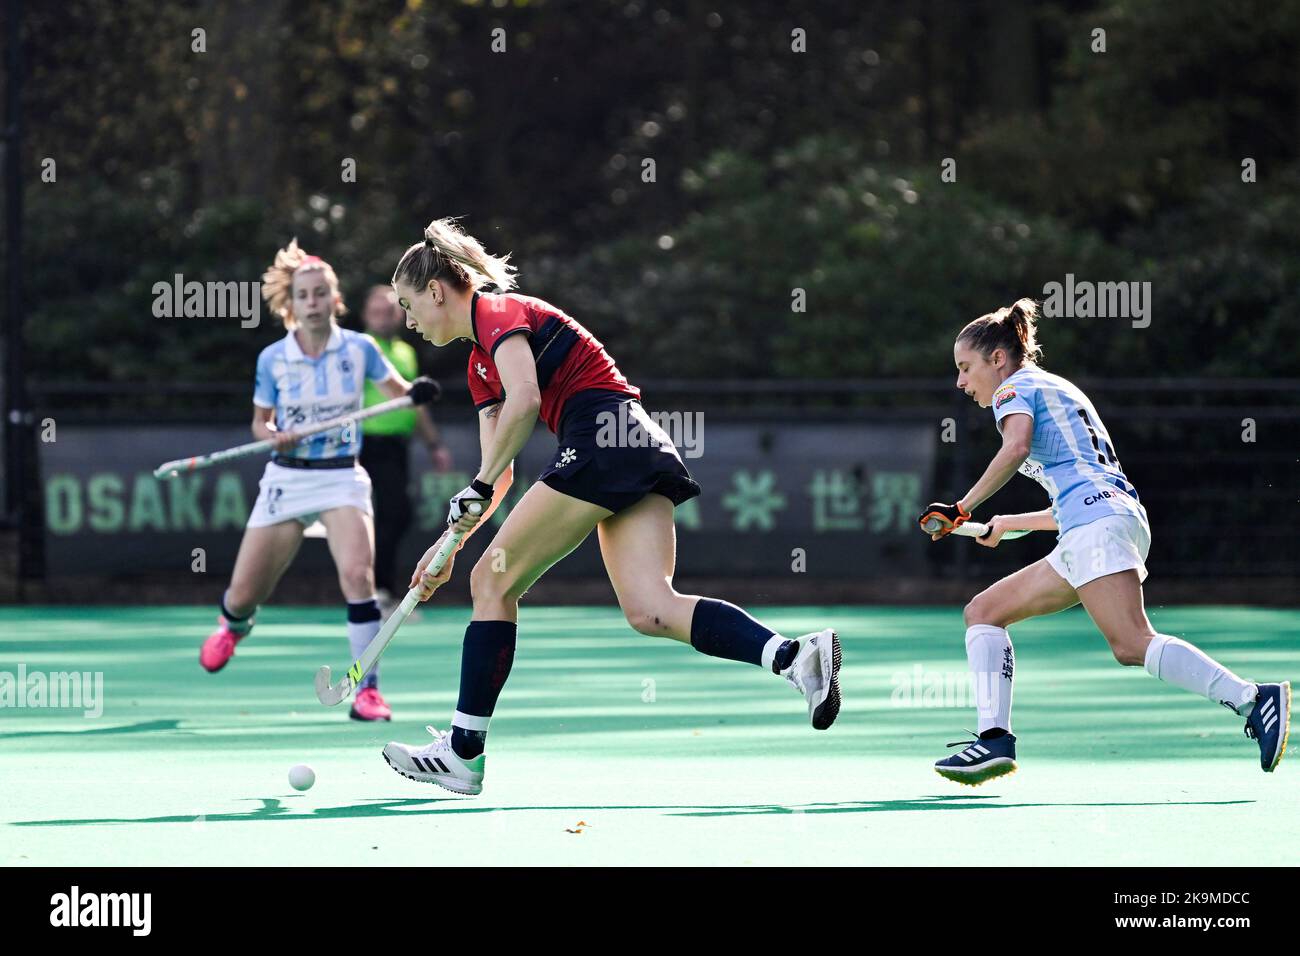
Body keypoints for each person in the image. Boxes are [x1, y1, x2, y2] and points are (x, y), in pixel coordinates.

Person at [378, 218, 841, 795]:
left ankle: (464, 751)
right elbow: (498, 473)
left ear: (437, 291)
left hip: (603, 436)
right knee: (651, 608)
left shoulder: (498, 314)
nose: (409, 320)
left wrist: (476, 491)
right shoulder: (478, 367)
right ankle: (795, 657)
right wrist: (450, 544)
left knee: (492, 586)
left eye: (408, 303)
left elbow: (524, 402)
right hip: (635, 445)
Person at [921, 298, 1288, 785]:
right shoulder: (1053, 387)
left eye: (966, 368)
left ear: (998, 359)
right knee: (983, 612)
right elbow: (1079, 491)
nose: (961, 382)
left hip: (1098, 524)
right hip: (1098, 521)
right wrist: (1010, 522)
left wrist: (962, 507)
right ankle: (993, 740)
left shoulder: (1015, 389)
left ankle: (1253, 698)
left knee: (1132, 643)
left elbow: (1016, 448)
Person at [198, 240, 436, 723]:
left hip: (342, 478)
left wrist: (415, 395)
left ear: (334, 299)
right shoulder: (273, 359)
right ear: (291, 304)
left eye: (321, 293)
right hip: (287, 480)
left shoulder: (360, 349)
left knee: (358, 577)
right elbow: (259, 424)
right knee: (245, 593)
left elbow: (397, 392)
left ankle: (367, 689)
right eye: (303, 295)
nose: (313, 302)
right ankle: (233, 625)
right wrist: (273, 437)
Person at [357, 285, 453, 618]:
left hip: (397, 447)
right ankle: (377, 594)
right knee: (381, 516)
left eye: (389, 311)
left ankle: (380, 592)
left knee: (395, 515)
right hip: (364, 446)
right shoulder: (358, 349)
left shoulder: (406, 353)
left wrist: (434, 444)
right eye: (376, 311)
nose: (383, 317)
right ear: (366, 314)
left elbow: (417, 406)